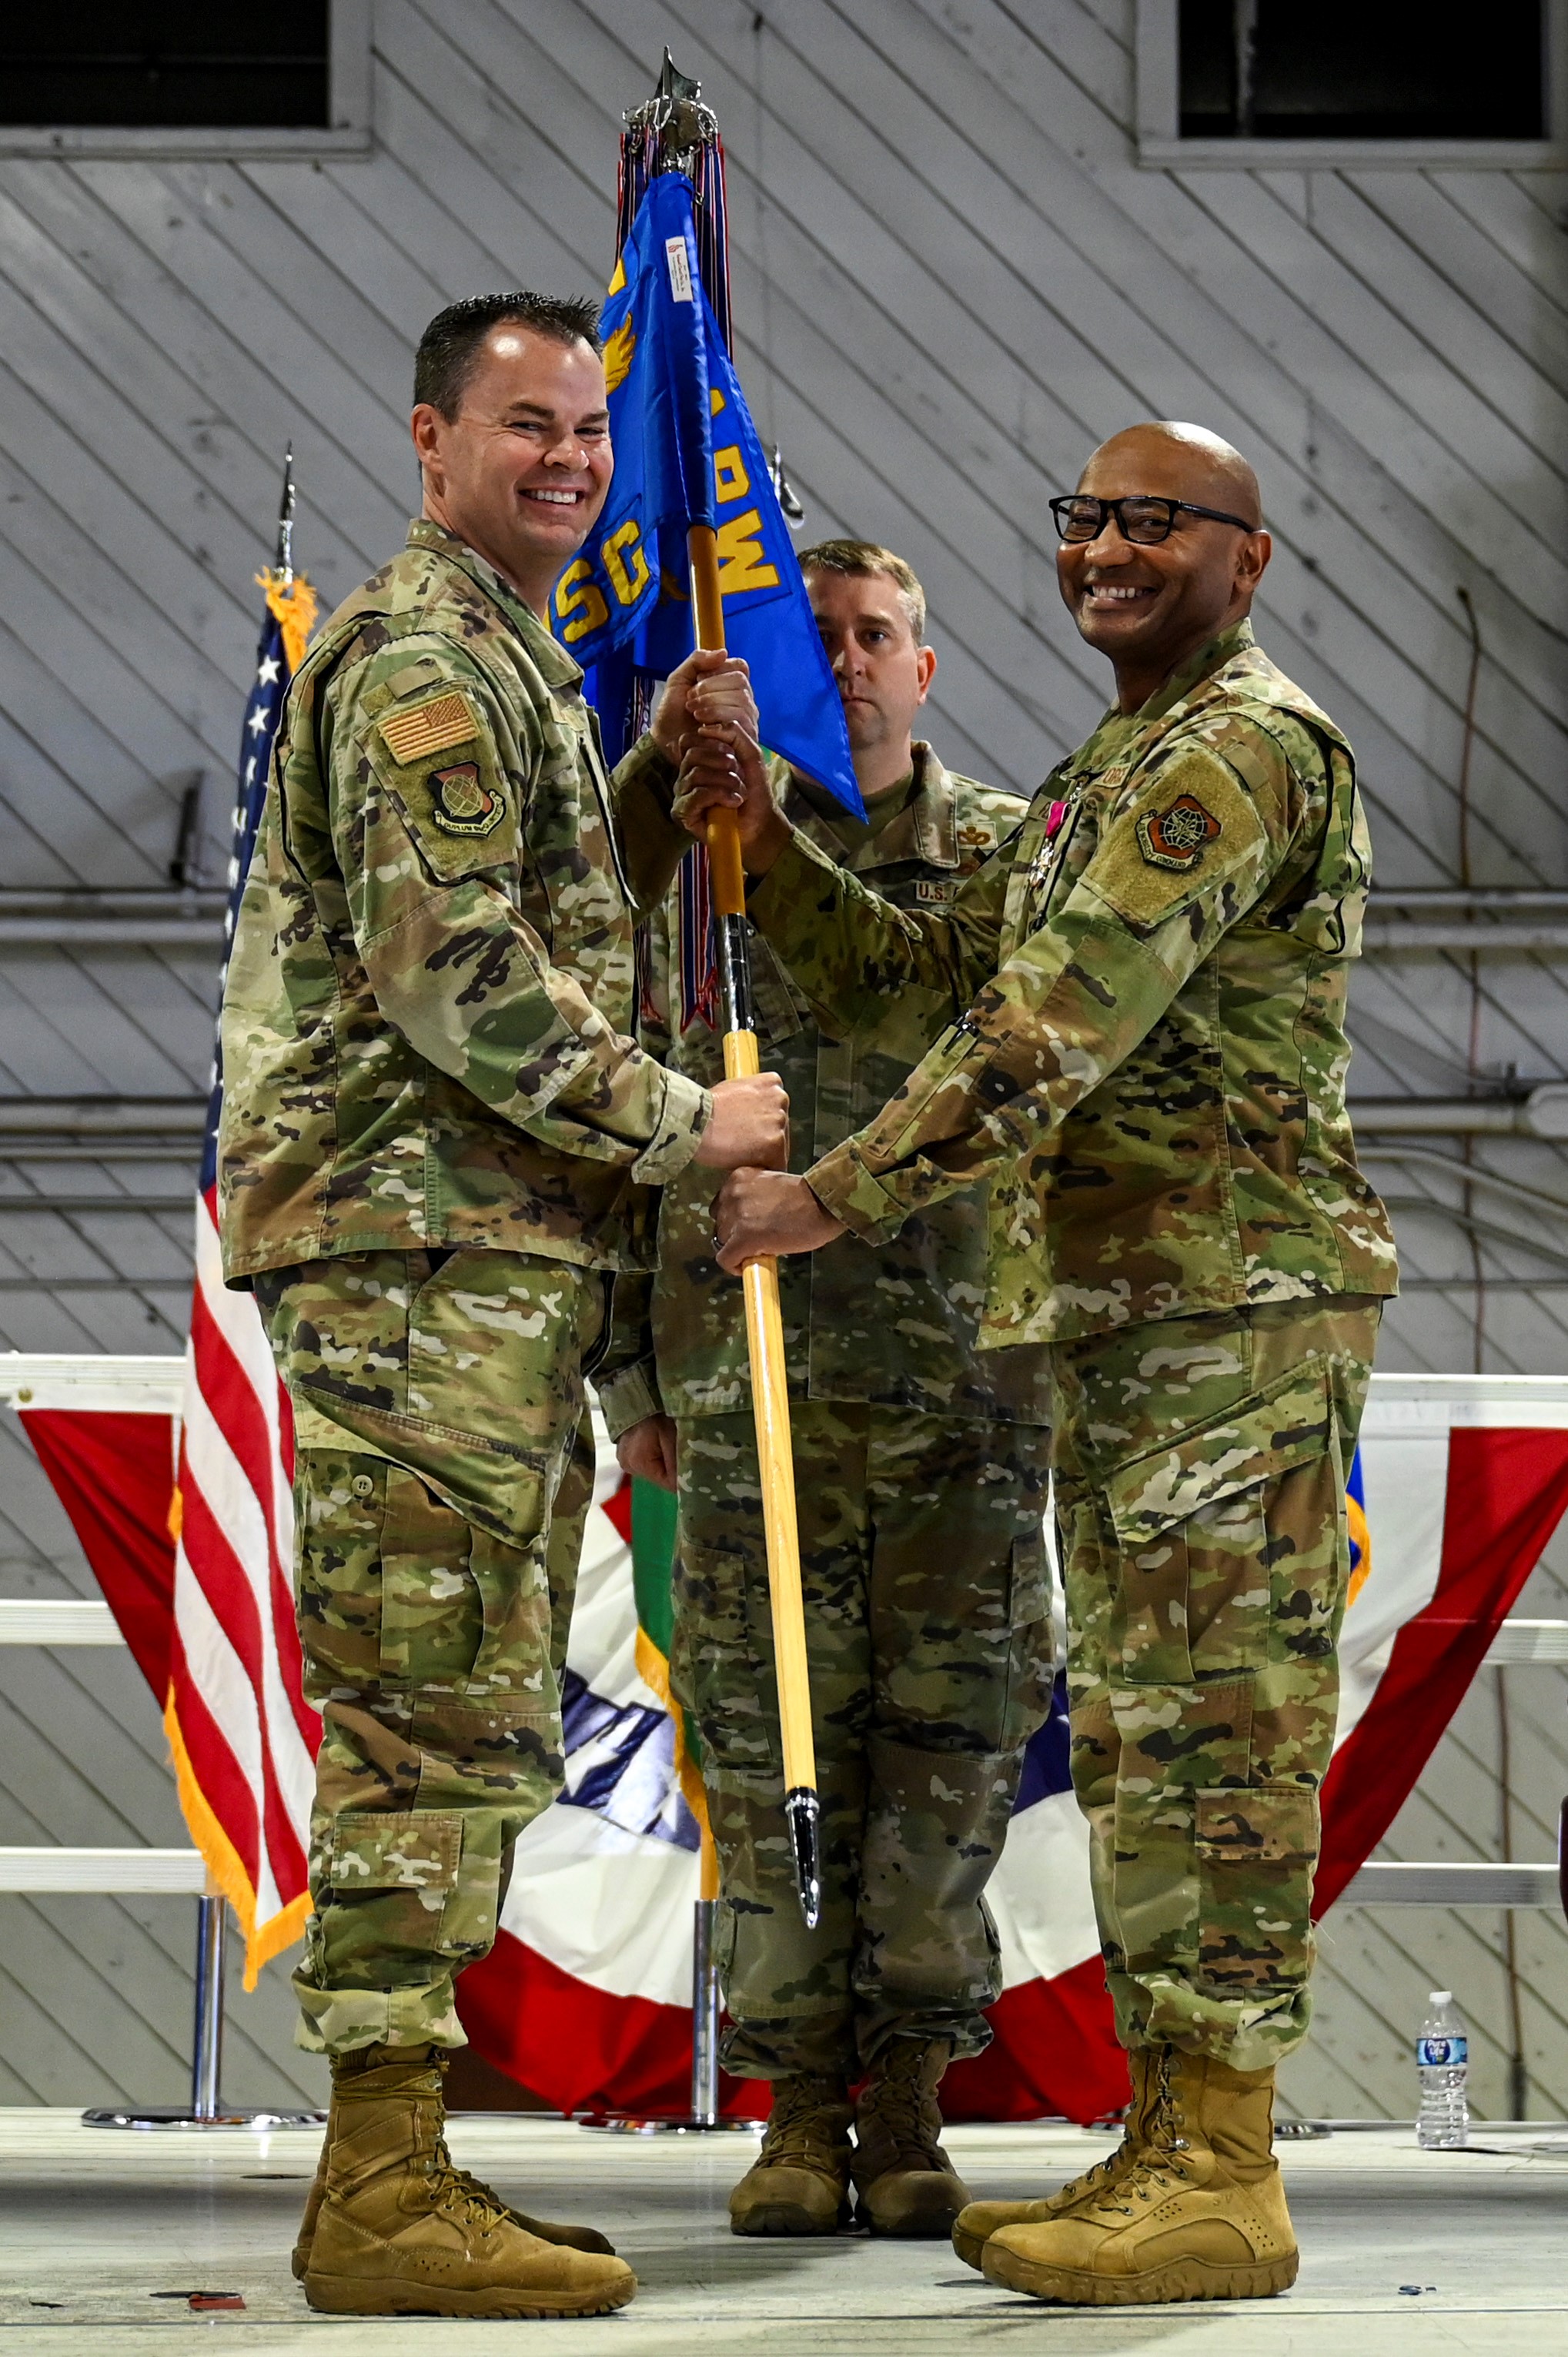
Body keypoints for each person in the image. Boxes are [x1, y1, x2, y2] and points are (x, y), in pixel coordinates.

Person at [678, 423, 1397, 2308]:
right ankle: (1172, 2139)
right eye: (1085, 521)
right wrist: (761, 842)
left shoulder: (1231, 752)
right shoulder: (1118, 762)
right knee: (1157, 1742)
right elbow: (932, 972)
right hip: (1133, 1322)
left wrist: (821, 1198)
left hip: (1226, 1312)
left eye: (1155, 523)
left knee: (1220, 1741)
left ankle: (1223, 2167)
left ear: (1245, 561)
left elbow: (1038, 1033)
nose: (1107, 549)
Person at [218, 290, 784, 2320]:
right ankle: (375, 2180)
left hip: (478, 1256)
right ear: (428, 438)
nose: (564, 457)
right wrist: (688, 1116)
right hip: (411, 1250)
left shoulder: (510, 660)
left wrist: (641, 777)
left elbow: (539, 909)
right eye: (521, 423)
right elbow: (453, 965)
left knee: (455, 1700)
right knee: (418, 1704)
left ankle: (404, 2154)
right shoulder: (423, 657)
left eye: (586, 428)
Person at [600, 543, 1055, 2240]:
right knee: (768, 1744)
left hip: (961, 1403)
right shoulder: (696, 878)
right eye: (821, 640)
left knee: (942, 1769)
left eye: (877, 640)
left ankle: (917, 2104)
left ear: (924, 671)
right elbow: (639, 1118)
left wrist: (761, 840)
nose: (850, 663)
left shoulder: (1011, 858)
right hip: (750, 1399)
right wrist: (631, 1370)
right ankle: (798, 2110)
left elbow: (949, 1019)